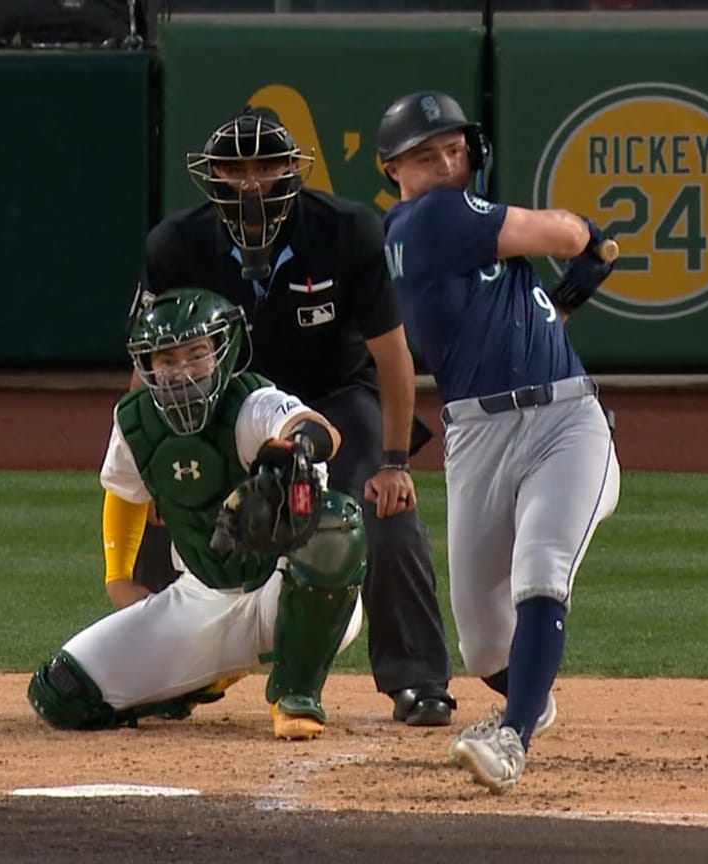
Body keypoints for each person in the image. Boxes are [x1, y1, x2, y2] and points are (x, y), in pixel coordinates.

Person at [121, 109, 458, 727]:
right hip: (222, 405)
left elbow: (392, 355)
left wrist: (392, 463)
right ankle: (167, 672)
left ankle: (417, 679)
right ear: (212, 173)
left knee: (384, 512)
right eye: (236, 167)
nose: (251, 181)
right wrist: (152, 465)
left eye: (266, 165)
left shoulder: (349, 230)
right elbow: (148, 366)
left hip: (333, 397)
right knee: (169, 508)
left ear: (291, 168)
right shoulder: (175, 245)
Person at [375, 90, 622, 793]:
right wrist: (582, 233)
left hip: (567, 423)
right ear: (393, 169)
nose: (449, 164)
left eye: (456, 149)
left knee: (541, 566)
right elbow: (570, 235)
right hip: (479, 436)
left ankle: (511, 736)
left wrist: (568, 299)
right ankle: (527, 700)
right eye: (427, 156)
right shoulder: (434, 218)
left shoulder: (464, 234)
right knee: (485, 644)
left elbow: (520, 329)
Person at [29, 288, 367, 741]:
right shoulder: (136, 423)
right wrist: (117, 576)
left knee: (334, 524)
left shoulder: (252, 403)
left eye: (197, 355)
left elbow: (315, 428)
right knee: (61, 693)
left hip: (282, 594)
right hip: (201, 598)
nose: (183, 372)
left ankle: (296, 694)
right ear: (147, 366)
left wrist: (297, 448)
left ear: (221, 353)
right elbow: (124, 492)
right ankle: (197, 679)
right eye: (167, 359)